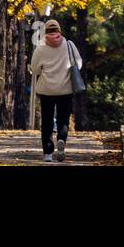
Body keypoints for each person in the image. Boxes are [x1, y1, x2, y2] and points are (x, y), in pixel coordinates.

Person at [29, 18, 83, 163]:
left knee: (46, 121)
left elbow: (34, 69)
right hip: (65, 89)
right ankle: (61, 139)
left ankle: (47, 153)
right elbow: (78, 63)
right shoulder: (69, 45)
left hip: (46, 90)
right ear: (59, 30)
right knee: (63, 120)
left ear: (45, 31)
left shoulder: (40, 48)